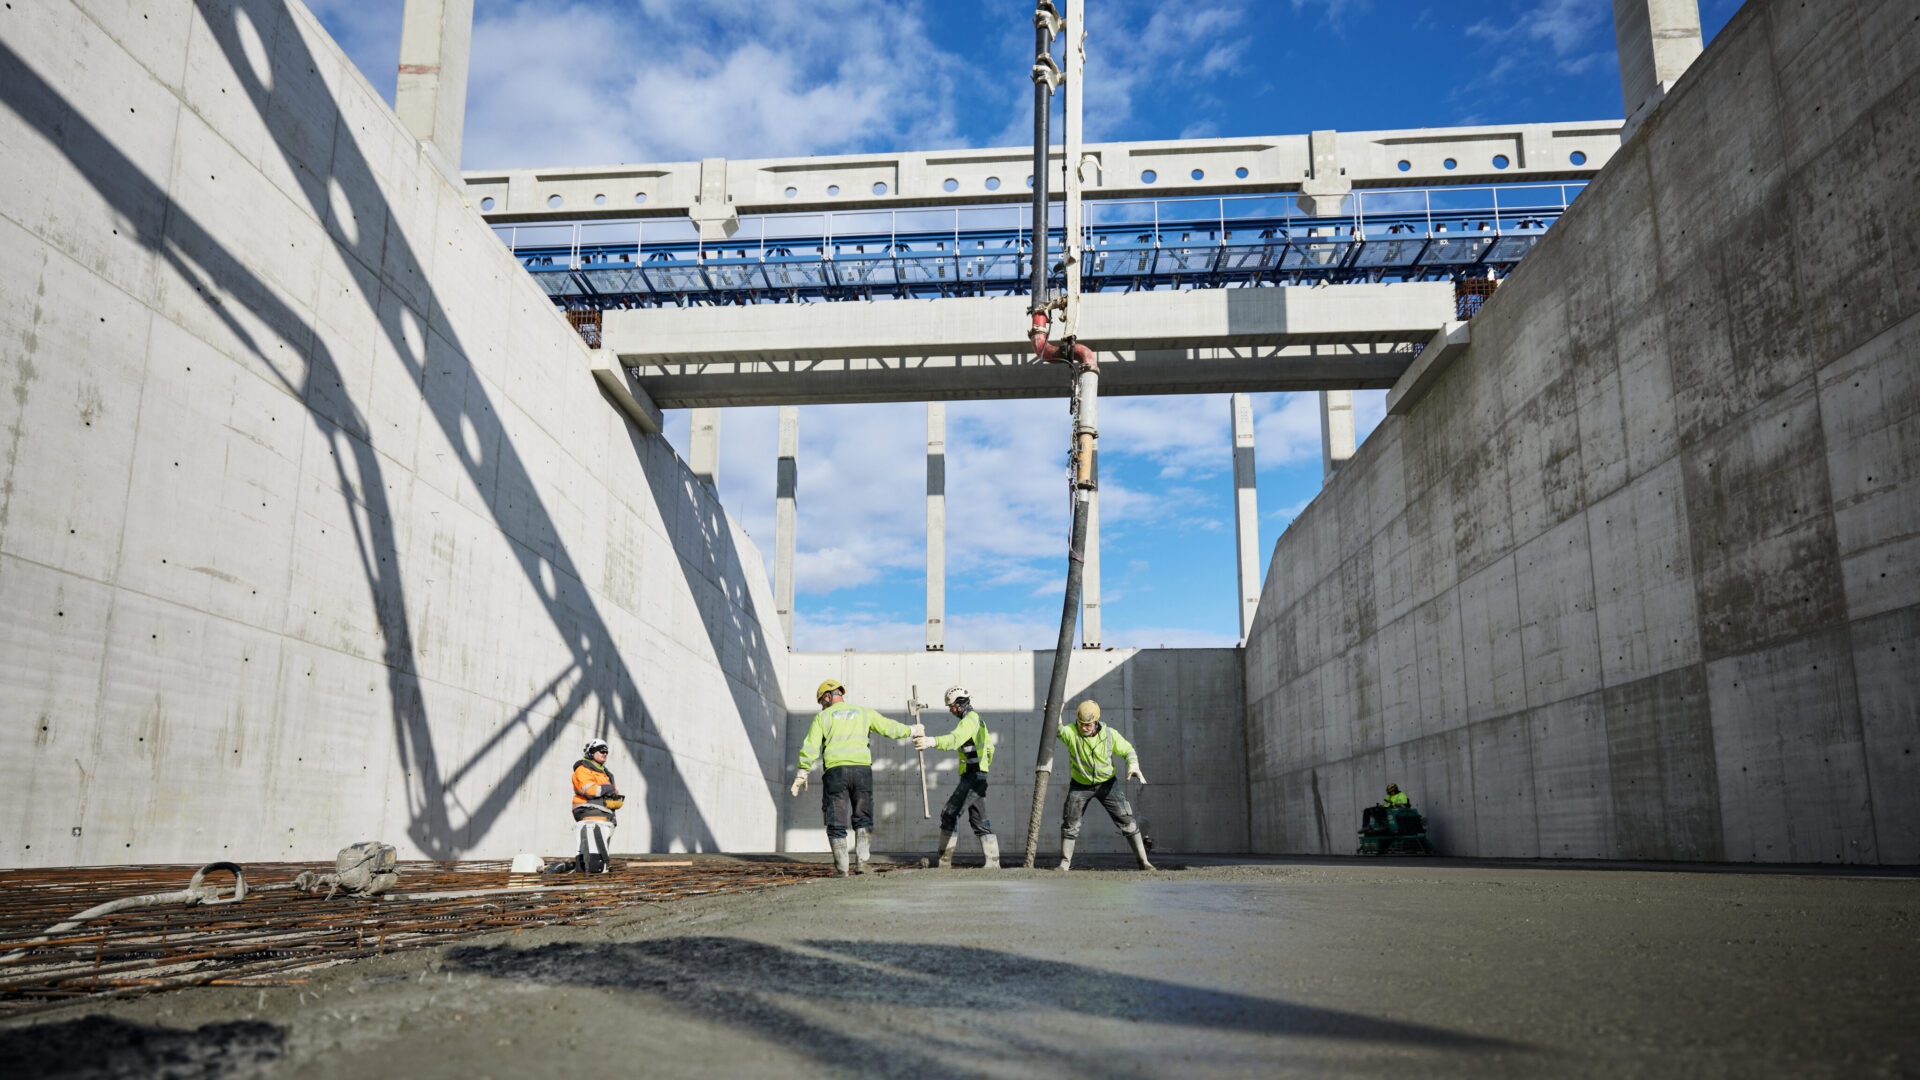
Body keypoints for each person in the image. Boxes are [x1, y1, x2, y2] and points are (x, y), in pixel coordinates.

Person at [791, 679, 923, 876]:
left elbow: (810, 746)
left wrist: (803, 771)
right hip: (862, 772)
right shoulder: (864, 713)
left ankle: (842, 869)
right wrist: (912, 730)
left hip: (836, 773)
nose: (822, 706)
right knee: (863, 817)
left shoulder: (823, 717)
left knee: (836, 820)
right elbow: (889, 728)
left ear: (828, 696)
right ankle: (862, 863)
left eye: (821, 701)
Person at [1054, 700, 1152, 871]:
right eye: (1081, 724)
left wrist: (1133, 765)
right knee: (1070, 823)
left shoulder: (1109, 734)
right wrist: (1054, 715)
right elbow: (1057, 731)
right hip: (1080, 786)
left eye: (1088, 725)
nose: (1084, 728)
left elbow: (1127, 750)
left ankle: (1144, 862)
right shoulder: (1072, 732)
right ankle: (1064, 863)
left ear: (1096, 722)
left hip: (1107, 785)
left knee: (1127, 821)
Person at [912, 685, 999, 870]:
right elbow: (990, 749)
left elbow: (955, 739)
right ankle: (993, 864)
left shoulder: (969, 721)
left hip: (973, 777)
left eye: (951, 706)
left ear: (959, 704)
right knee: (979, 820)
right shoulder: (979, 721)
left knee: (949, 814)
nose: (951, 710)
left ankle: (944, 863)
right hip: (978, 776)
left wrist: (930, 741)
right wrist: (983, 769)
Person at [571, 738, 622, 874]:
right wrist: (608, 788)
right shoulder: (583, 769)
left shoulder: (606, 774)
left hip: (605, 816)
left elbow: (610, 792)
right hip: (590, 813)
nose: (605, 753)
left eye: (606, 751)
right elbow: (588, 790)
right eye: (601, 751)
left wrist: (615, 799)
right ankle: (589, 880)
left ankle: (596, 877)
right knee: (592, 857)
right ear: (591, 752)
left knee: (601, 856)